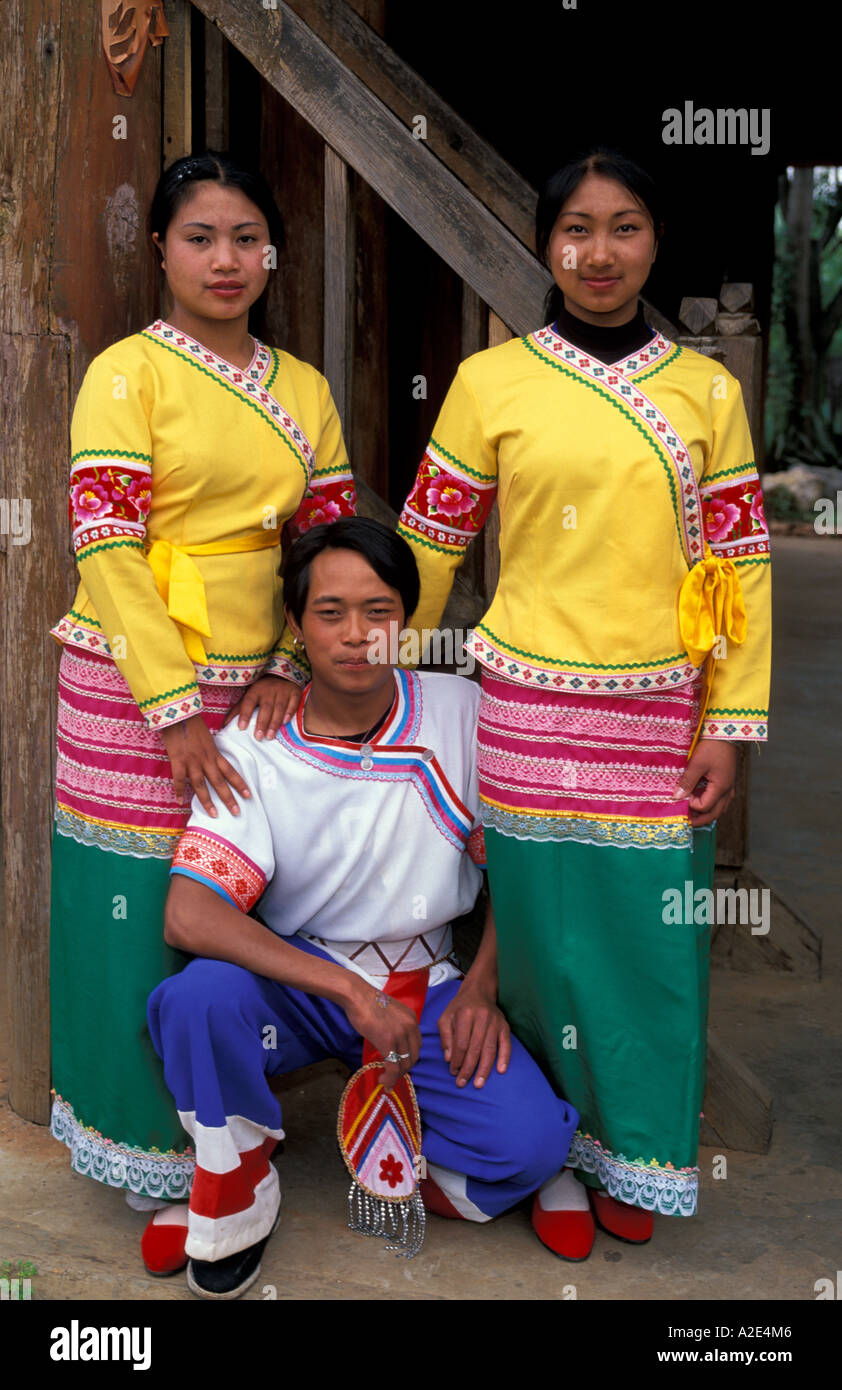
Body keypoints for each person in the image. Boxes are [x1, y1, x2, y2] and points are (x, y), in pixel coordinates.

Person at [396, 148, 771, 1259]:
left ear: (653, 242)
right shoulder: (491, 382)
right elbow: (428, 538)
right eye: (574, 230)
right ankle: (543, 1153)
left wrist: (729, 725)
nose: (597, 253)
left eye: (623, 227)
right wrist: (352, 657)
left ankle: (637, 1153)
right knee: (541, 945)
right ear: (543, 245)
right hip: (526, 701)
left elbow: (742, 564)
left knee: (649, 946)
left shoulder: (705, 392)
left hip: (659, 713)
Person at [48, 152, 355, 1268]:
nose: (226, 260)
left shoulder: (306, 389)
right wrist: (172, 709)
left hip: (257, 685)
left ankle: (232, 1140)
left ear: (271, 253)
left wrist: (286, 658)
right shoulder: (126, 375)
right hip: (136, 682)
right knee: (137, 902)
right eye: (199, 237)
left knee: (235, 899)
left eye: (245, 239)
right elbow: (106, 548)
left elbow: (323, 544)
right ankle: (151, 1151)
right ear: (161, 251)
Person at [147, 518, 578, 1298]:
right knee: (196, 998)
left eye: (378, 613)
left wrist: (481, 985)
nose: (356, 636)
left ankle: (396, 1151)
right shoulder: (252, 742)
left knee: (531, 1146)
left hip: (430, 986)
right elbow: (189, 916)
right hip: (305, 987)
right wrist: (349, 992)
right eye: (330, 613)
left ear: (406, 620)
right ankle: (237, 1184)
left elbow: (528, 875)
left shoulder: (461, 712)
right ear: (296, 626)